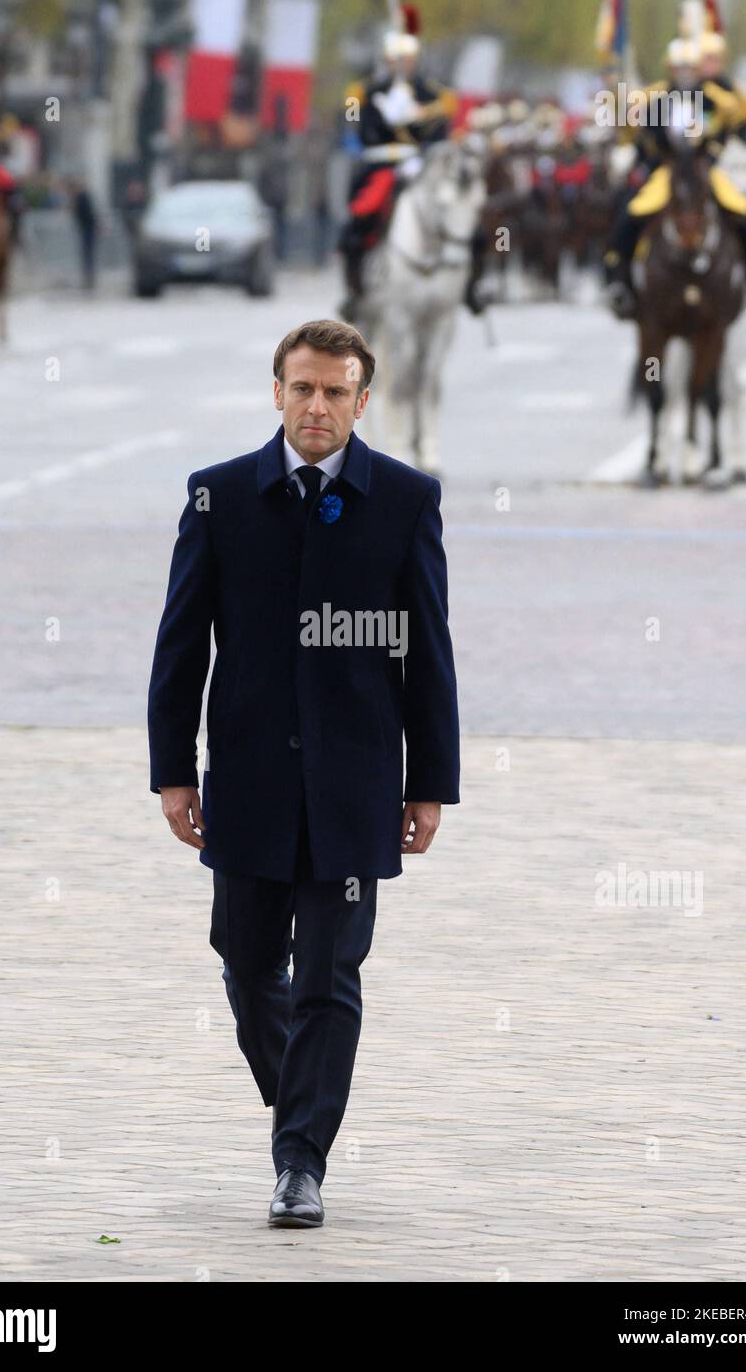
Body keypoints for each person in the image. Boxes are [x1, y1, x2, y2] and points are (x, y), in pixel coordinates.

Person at [147, 319, 460, 1228]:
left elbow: (427, 652)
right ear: (276, 393)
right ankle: (304, 1108)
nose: (316, 406)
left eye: (335, 391)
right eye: (302, 388)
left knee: (328, 976)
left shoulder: (405, 500)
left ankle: (300, 1163)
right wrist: (174, 771)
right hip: (244, 782)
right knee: (246, 967)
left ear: (364, 402)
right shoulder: (218, 497)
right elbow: (181, 645)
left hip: (357, 786)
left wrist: (429, 782)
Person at [603, 38, 746, 317]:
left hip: (706, 169)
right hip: (667, 169)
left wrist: (707, 158)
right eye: (679, 68)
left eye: (689, 68)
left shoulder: (714, 100)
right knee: (631, 212)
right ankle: (618, 282)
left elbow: (723, 135)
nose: (684, 73)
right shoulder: (657, 99)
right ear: (671, 69)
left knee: (745, 211)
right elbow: (649, 138)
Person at [337, 10, 469, 320]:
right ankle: (355, 287)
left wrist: (415, 118)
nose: (400, 65)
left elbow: (440, 135)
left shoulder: (433, 95)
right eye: (395, 59)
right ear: (386, 60)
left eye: (406, 59)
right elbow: (359, 128)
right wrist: (387, 115)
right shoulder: (366, 93)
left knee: (459, 211)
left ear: (415, 61)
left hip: (419, 164)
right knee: (361, 216)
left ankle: (471, 284)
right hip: (382, 163)